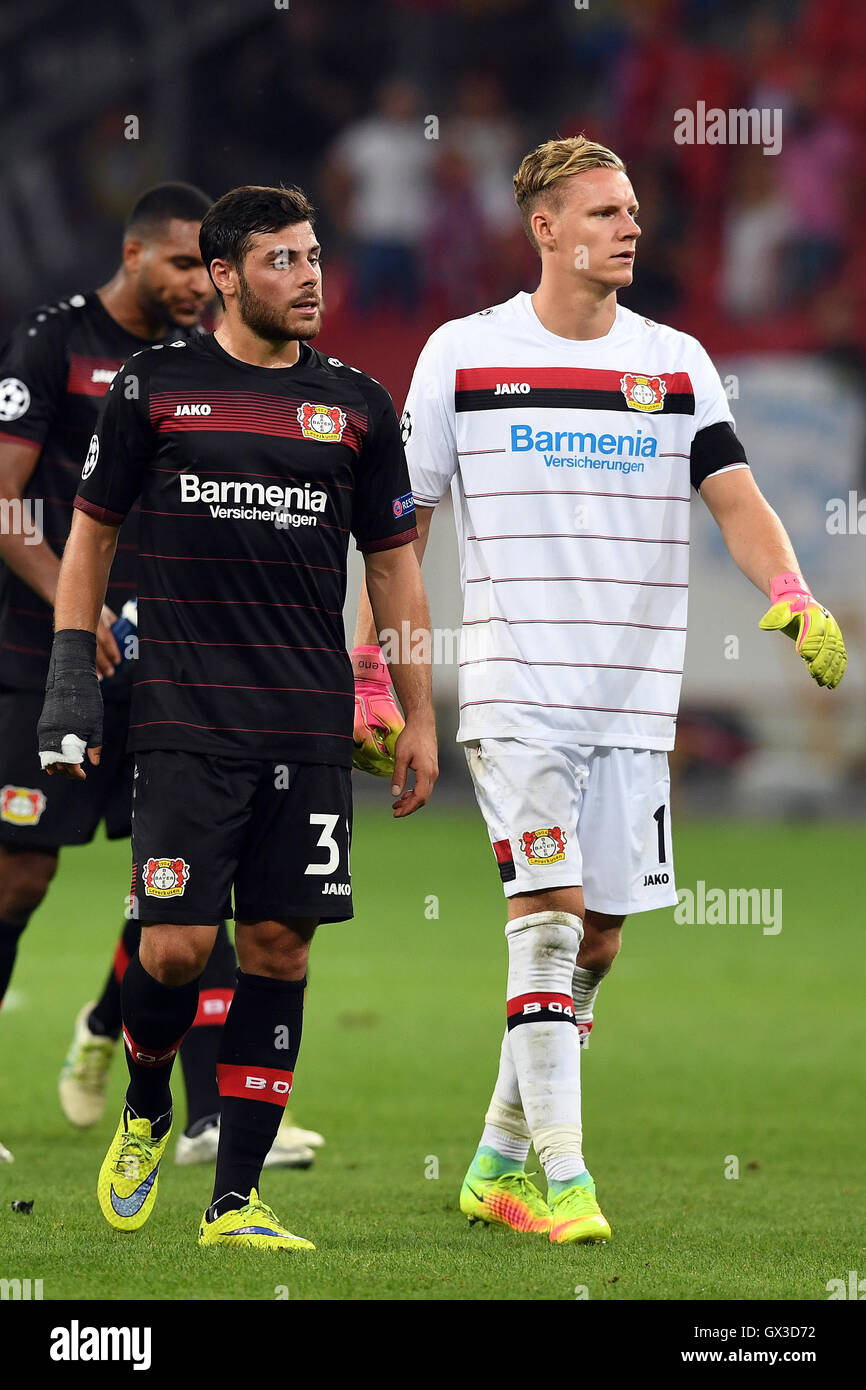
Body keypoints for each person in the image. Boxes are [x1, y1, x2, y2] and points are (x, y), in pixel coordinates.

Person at [353, 135, 847, 1245]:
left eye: (632, 209)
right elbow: (401, 529)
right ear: (544, 228)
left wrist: (790, 588)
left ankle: (491, 1161)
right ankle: (566, 1181)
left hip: (634, 702)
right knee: (545, 927)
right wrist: (378, 673)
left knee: (599, 943)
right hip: (518, 686)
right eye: (605, 211)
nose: (629, 226)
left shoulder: (671, 360)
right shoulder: (459, 355)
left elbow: (732, 491)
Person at [38, 183, 438, 1251]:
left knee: (278, 947)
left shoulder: (356, 403)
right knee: (171, 950)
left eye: (314, 257)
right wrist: (71, 671)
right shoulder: (152, 386)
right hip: (181, 718)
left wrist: (415, 710)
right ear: (222, 275)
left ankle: (237, 1199)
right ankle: (147, 1099)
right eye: (281, 261)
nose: (309, 277)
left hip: (302, 725)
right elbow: (90, 537)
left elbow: (395, 570)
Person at [0, 183, 252, 1165]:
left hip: (171, 662)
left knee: (187, 875)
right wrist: (81, 608)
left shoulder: (204, 365)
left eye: (213, 268)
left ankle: (208, 1116)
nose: (203, 284)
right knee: (19, 877)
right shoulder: (53, 346)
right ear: (135, 252)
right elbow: (4, 506)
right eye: (186, 264)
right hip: (44, 660)